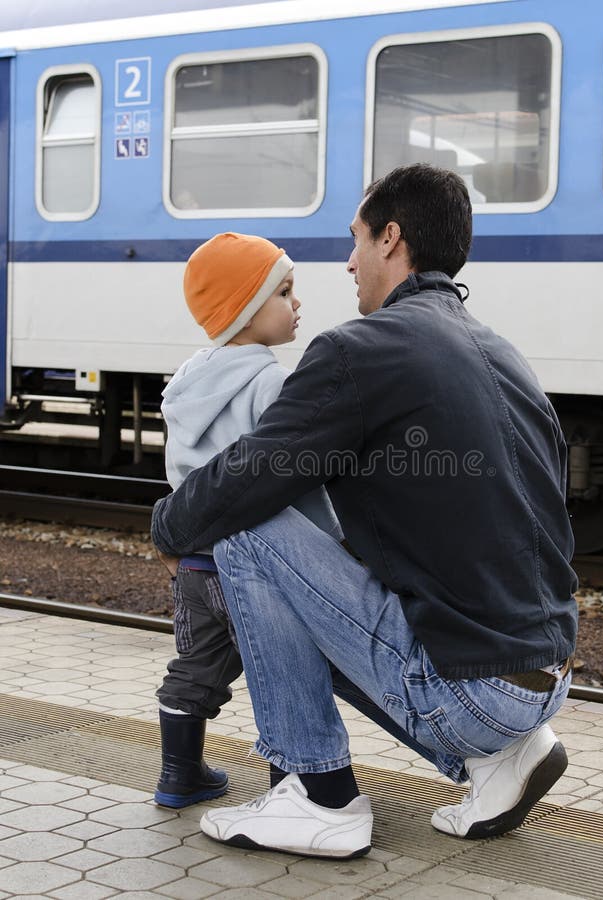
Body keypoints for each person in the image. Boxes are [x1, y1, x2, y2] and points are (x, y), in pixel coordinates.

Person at [151, 164, 578, 858]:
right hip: (543, 677)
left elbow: (249, 474)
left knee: (245, 527)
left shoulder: (360, 350)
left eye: (355, 240)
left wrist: (168, 524)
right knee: (315, 573)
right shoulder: (500, 352)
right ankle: (505, 758)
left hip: (470, 696)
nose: (347, 263)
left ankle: (317, 794)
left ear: (392, 239)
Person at [154, 232, 342, 809]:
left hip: (192, 565)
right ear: (245, 309)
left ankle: (178, 776)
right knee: (277, 670)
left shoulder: (186, 382)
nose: (298, 304)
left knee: (196, 668)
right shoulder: (272, 383)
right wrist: (332, 540)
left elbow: (183, 477)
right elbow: (288, 479)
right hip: (252, 570)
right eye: (285, 292)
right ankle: (288, 787)